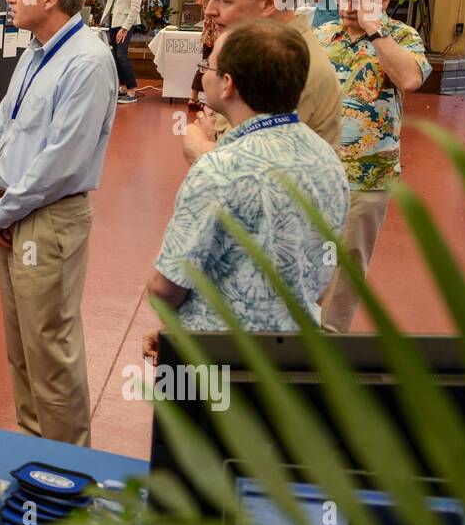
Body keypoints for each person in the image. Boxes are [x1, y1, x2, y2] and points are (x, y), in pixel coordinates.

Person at [0, 0, 117, 446]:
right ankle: (33, 450)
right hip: (13, 212)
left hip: (48, 219)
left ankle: (69, 469)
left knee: (50, 352)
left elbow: (62, 162)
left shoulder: (88, 63)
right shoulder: (36, 52)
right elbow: (1, 130)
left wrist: (2, 212)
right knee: (21, 348)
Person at [146, 19, 348, 347]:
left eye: (207, 67)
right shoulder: (327, 161)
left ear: (227, 85)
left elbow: (164, 288)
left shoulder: (218, 170)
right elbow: (318, 271)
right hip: (297, 351)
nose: (205, 74)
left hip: (217, 356)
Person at [317, 0, 431, 333]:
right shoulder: (321, 36)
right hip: (313, 171)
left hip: (367, 175)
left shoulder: (402, 36)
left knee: (346, 264)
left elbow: (410, 79)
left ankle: (327, 350)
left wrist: (375, 31)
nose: (349, 4)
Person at [183, 0, 342, 165]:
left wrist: (201, 150)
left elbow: (258, 167)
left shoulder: (294, 68)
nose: (209, 11)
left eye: (224, 0)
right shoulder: (262, 52)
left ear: (269, 2)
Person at [97, 0, 145, 104]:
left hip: (125, 22)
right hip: (114, 21)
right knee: (116, 56)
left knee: (122, 55)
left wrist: (125, 28)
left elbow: (135, 7)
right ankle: (123, 88)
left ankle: (131, 91)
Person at [187, 0, 215, 114]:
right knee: (216, 68)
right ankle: (211, 103)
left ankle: (193, 98)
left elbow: (199, 3)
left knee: (203, 66)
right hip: (220, 34)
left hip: (207, 35)